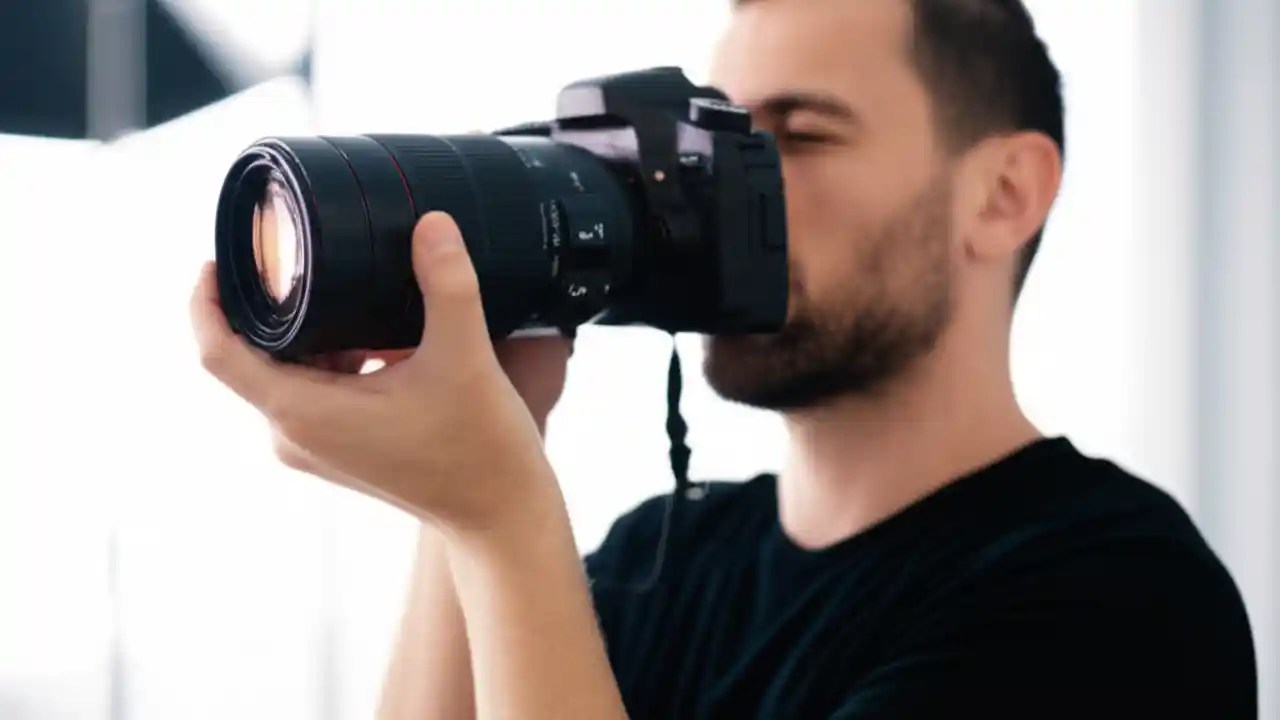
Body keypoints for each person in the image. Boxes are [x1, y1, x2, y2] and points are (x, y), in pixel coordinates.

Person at [190, 0, 1258, 717]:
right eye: (718, 142)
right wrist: (468, 482)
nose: (723, 198)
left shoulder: (1121, 599)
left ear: (1003, 195)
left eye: (800, 135)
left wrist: (501, 520)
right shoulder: (656, 565)